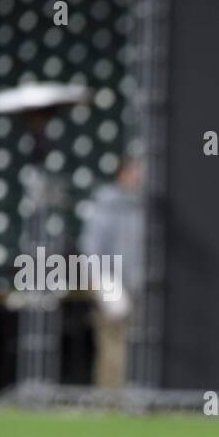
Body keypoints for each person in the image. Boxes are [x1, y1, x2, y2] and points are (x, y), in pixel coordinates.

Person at [80, 156, 145, 389]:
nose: (141, 176)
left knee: (134, 345)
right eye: (136, 170)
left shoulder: (145, 205)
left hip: (138, 284)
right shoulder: (107, 203)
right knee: (113, 344)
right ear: (122, 173)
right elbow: (92, 247)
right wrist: (98, 281)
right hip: (111, 282)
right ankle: (109, 399)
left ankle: (128, 396)